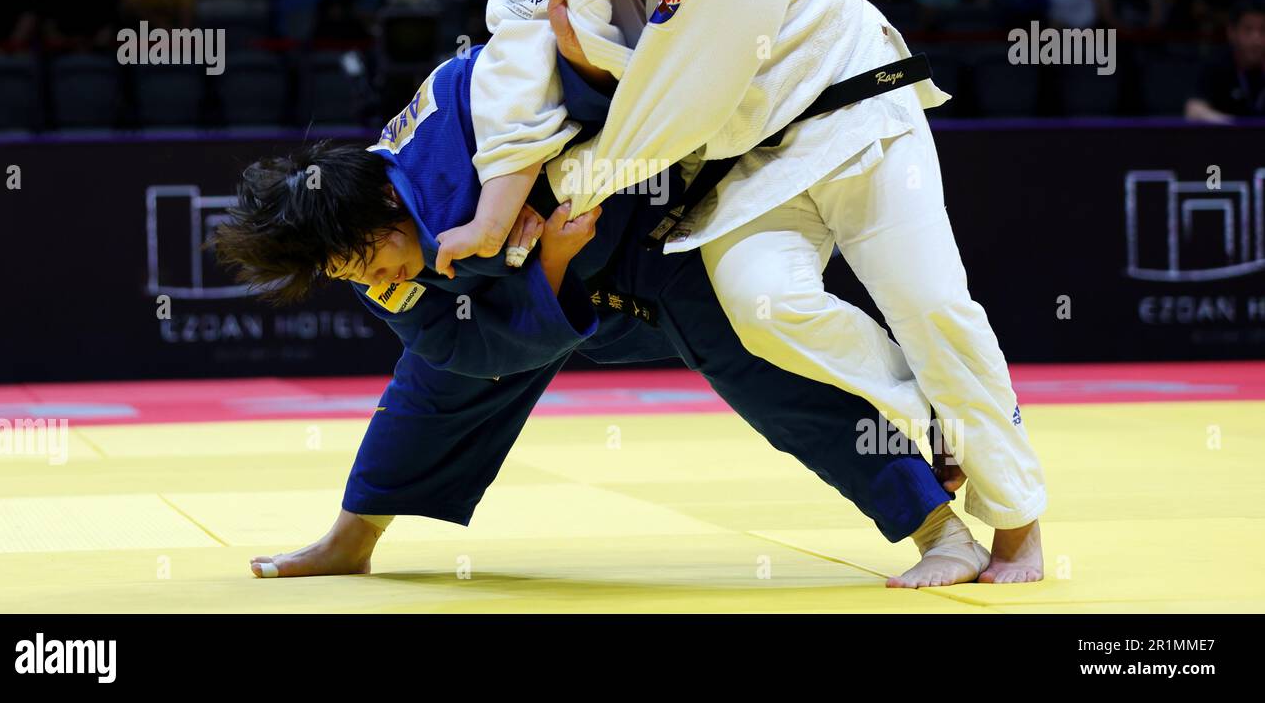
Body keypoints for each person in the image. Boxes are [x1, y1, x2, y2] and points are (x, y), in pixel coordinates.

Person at [440, 0, 1046, 583]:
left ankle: (1018, 527)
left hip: (852, 116)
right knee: (767, 310)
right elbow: (515, 66)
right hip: (743, 166)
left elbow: (669, 115)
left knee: (931, 304)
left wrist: (564, 192)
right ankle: (931, 414)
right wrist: (492, 215)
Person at [210, 41, 989, 588]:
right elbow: (464, 349)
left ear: (385, 198)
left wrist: (580, 57)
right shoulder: (364, 244)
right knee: (432, 379)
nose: (372, 280)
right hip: (555, 280)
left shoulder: (474, 107)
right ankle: (353, 539)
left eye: (368, 260)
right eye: (348, 274)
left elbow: (613, 83)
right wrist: (546, 261)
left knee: (755, 366)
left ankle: (936, 527)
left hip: (657, 235)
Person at [1184, 0, 1265, 122]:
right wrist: (1233, 127)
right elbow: (1194, 110)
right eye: (1248, 30)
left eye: (1263, 30)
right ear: (1232, 33)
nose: (1256, 39)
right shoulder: (1215, 65)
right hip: (1227, 138)